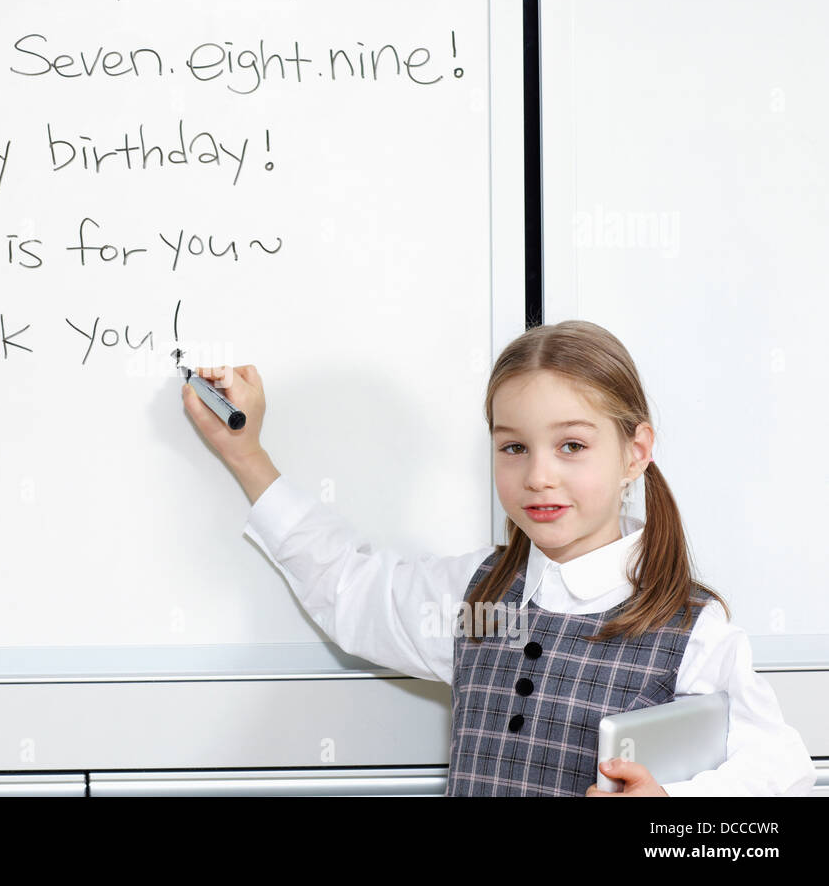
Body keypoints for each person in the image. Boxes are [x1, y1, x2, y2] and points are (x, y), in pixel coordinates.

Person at [180, 319, 816, 796]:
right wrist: (245, 455)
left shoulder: (692, 630)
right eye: (513, 448)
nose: (538, 476)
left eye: (571, 445)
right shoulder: (476, 599)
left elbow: (782, 768)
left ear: (635, 451)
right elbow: (348, 585)